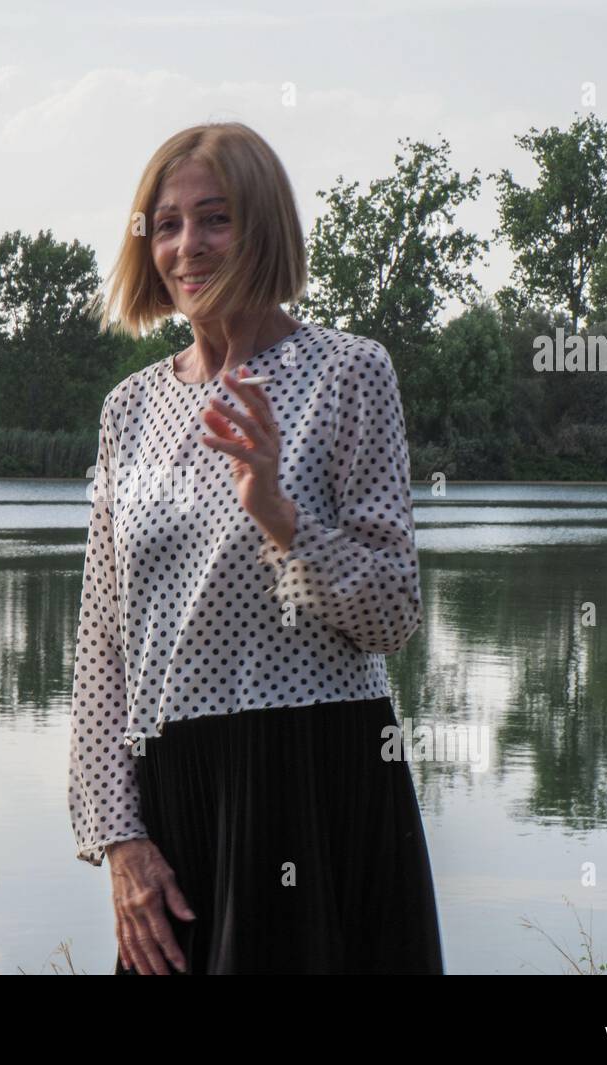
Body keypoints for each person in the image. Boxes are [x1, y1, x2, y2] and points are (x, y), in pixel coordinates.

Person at [68, 121, 444, 974]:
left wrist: (279, 514)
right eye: (165, 224)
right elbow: (101, 642)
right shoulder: (129, 409)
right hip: (176, 794)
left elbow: (391, 615)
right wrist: (119, 836)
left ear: (264, 226)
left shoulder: (351, 373)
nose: (186, 245)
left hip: (318, 780)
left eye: (215, 218)